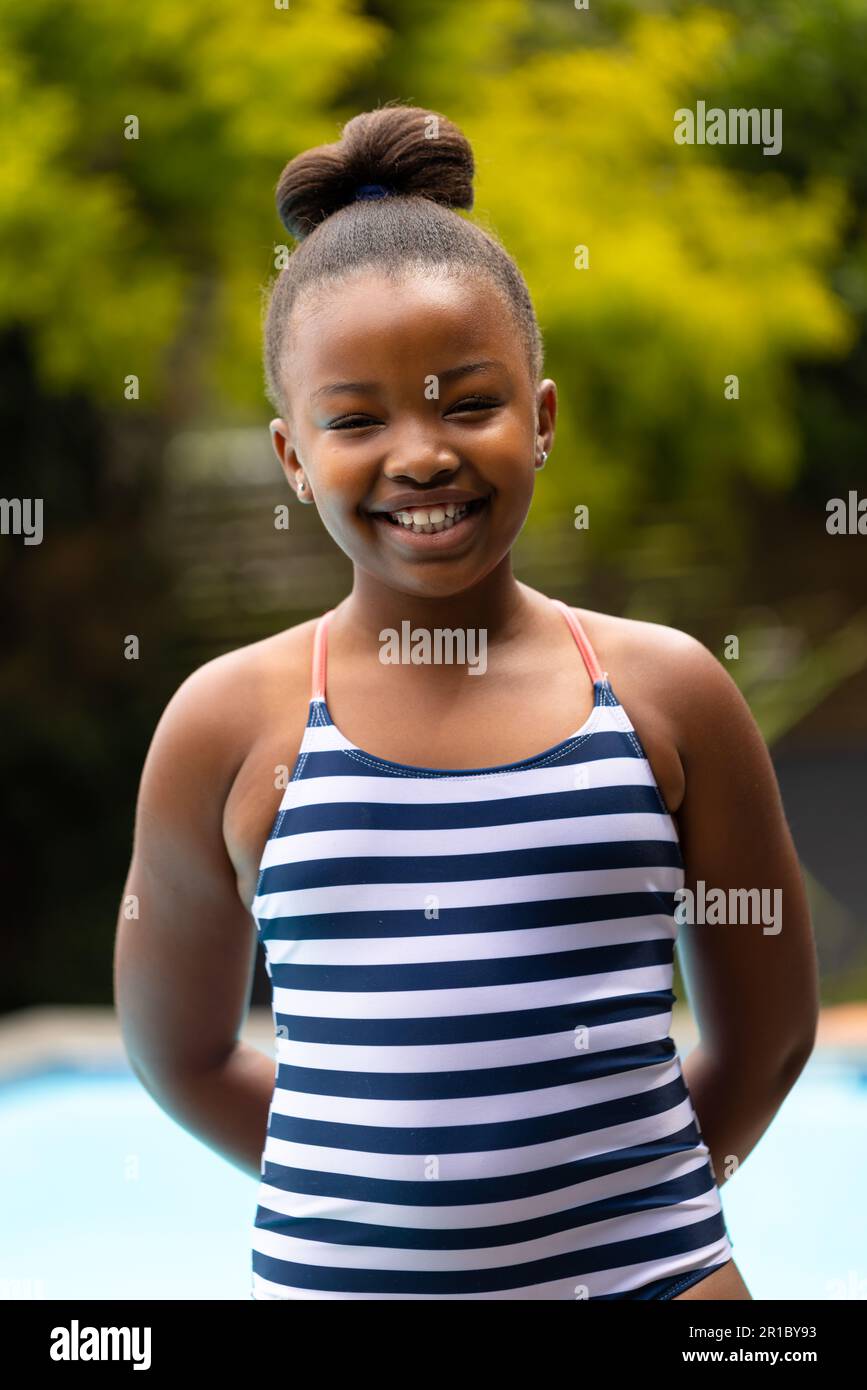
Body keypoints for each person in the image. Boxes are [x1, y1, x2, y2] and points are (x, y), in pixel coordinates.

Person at [114, 104, 819, 1300]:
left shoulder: (665, 695)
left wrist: (617, 1209)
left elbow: (772, 1036)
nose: (422, 453)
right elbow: (177, 1052)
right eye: (356, 419)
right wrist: (381, 1200)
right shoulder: (227, 726)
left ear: (541, 422)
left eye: (467, 402)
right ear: (294, 458)